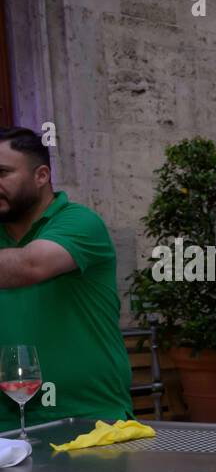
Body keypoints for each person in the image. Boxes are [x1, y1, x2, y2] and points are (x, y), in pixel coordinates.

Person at [0, 126, 132, 430]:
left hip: (91, 420)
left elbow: (31, 265)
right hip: (8, 425)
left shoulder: (80, 222)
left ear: (41, 176)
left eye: (3, 172)